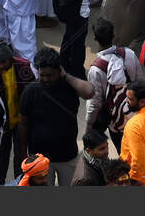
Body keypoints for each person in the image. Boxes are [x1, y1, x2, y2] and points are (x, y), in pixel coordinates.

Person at [18, 47, 94, 185]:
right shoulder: (30, 91)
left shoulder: (70, 87)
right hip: (39, 159)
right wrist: (24, 155)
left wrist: (67, 76)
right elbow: (23, 123)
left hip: (67, 156)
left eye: (50, 75)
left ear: (59, 71)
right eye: (42, 75)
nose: (45, 79)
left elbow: (89, 92)